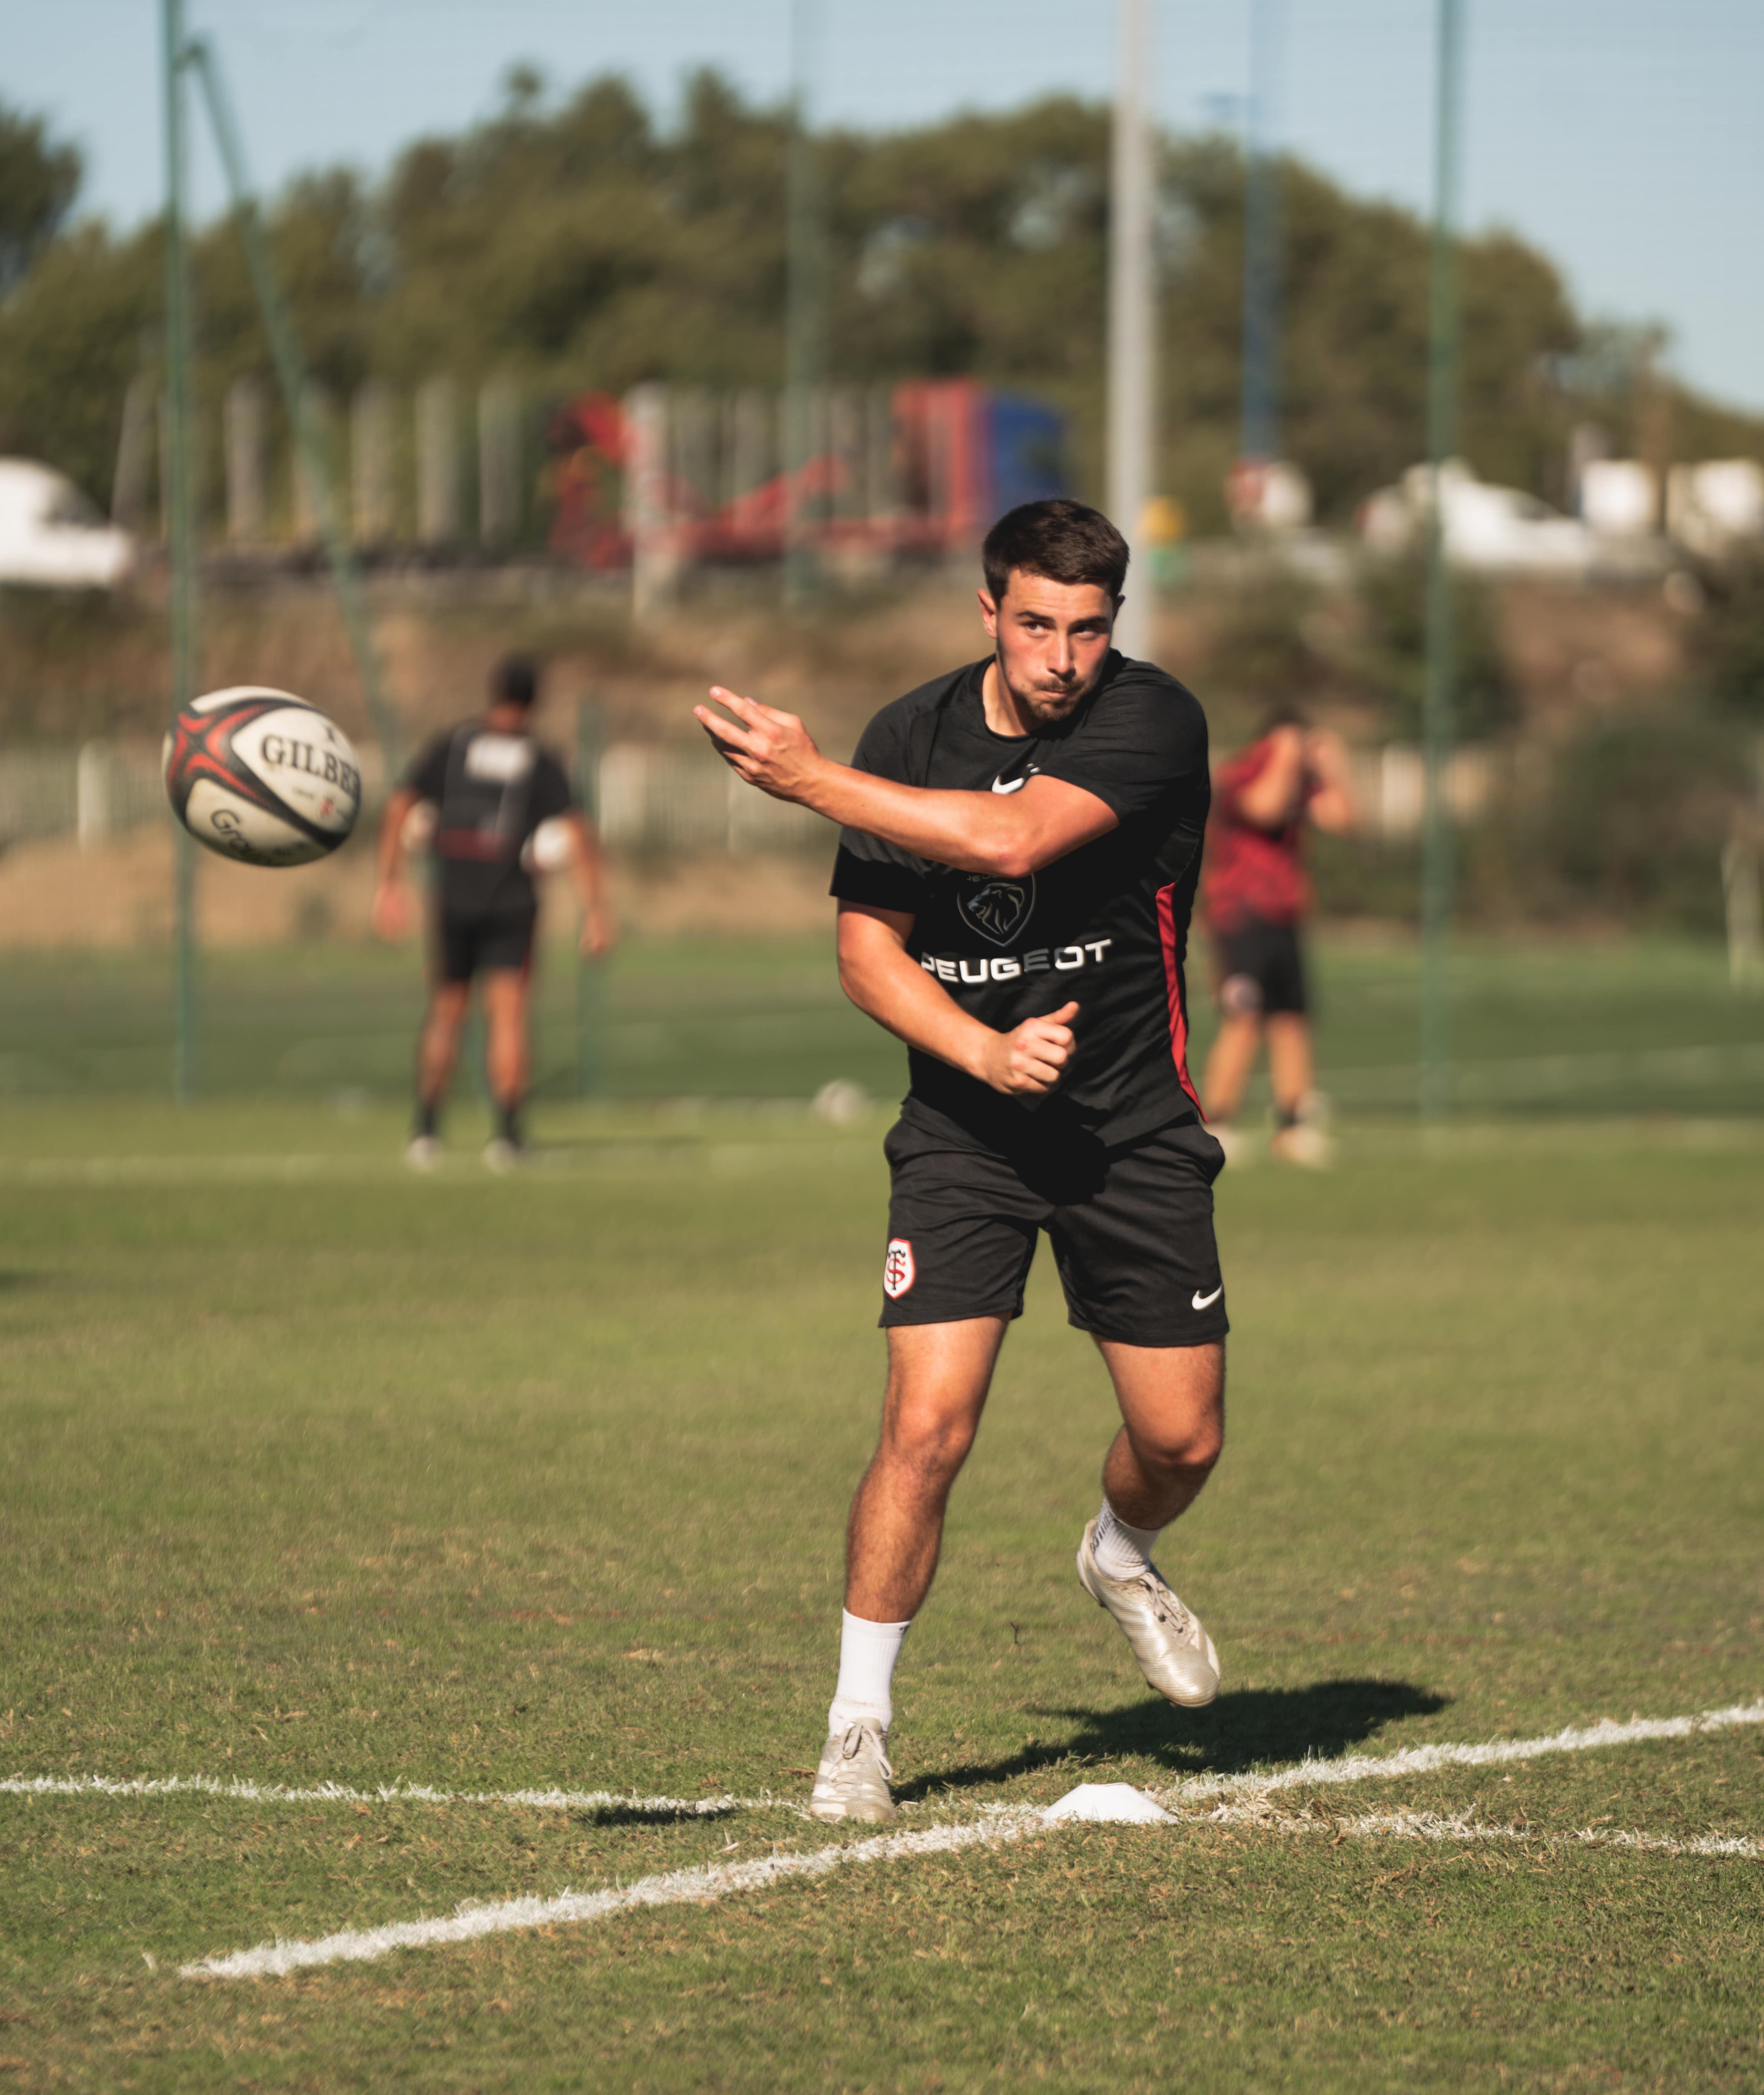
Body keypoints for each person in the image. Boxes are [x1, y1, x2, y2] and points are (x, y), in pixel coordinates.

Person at [694, 498, 1227, 1825]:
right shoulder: (909, 737)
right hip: (963, 1136)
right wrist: (977, 1055)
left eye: (1088, 629)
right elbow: (866, 949)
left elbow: (1008, 840)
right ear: (986, 611)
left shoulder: (1151, 722)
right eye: (1036, 624)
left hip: (1130, 1131)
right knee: (924, 1428)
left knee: (1181, 1437)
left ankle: (1119, 1551)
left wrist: (802, 776)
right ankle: (855, 1730)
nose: (1062, 655)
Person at [372, 653, 614, 1169]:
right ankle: (506, 1137)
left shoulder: (454, 745)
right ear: (533, 701)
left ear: (493, 691)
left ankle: (426, 1131)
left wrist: (388, 885)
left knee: (446, 1011)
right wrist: (595, 911)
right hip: (512, 901)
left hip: (453, 897)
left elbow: (399, 806)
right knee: (508, 1015)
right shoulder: (537, 757)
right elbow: (576, 832)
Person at [1198, 710, 1357, 1166]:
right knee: (1243, 1018)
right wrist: (1286, 757)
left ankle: (1292, 1126)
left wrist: (1333, 768)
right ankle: (1218, 1124)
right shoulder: (1242, 774)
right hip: (1238, 917)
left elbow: (1345, 819)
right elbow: (1263, 809)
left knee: (1291, 1020)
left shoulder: (1302, 783)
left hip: (1284, 915)